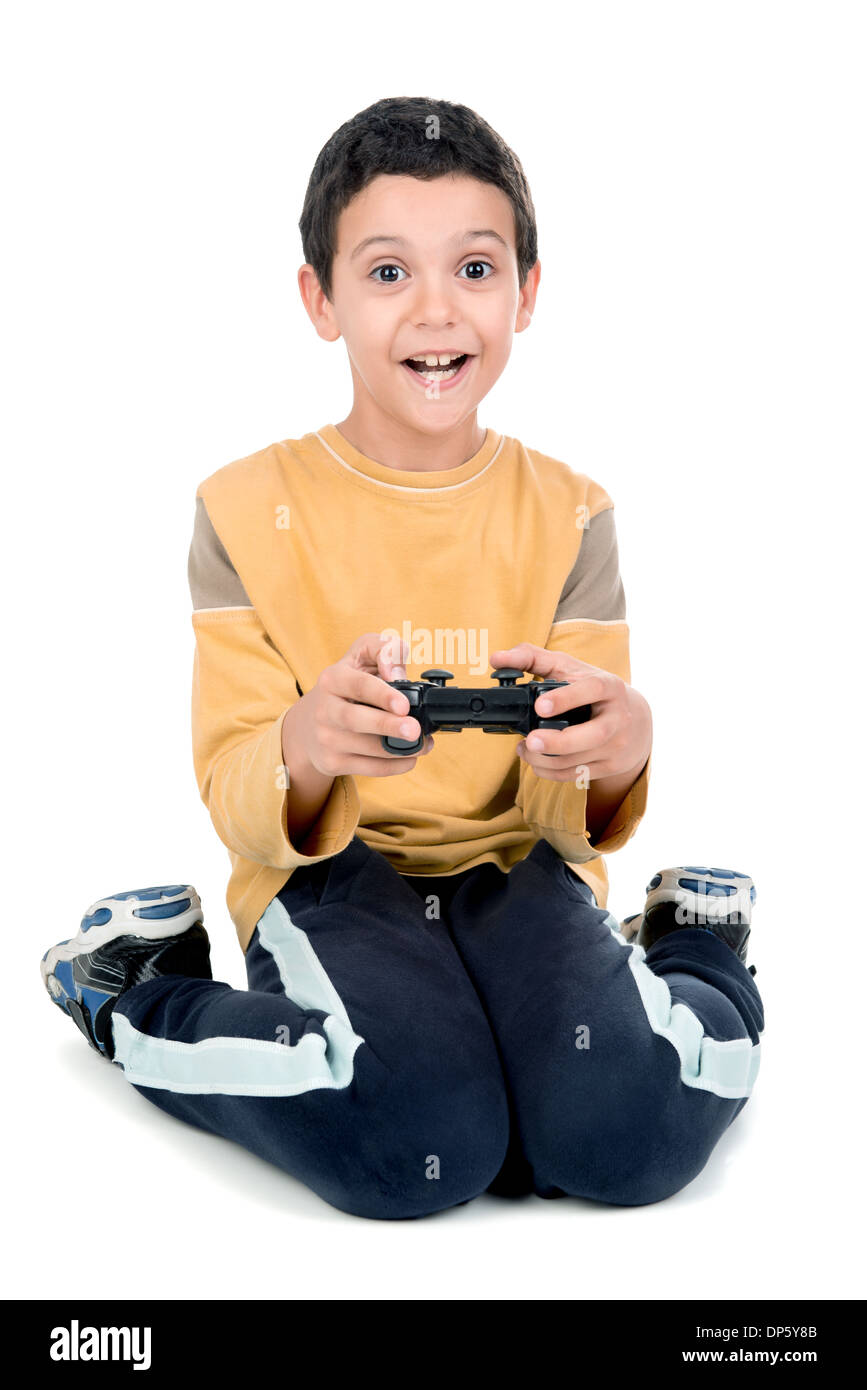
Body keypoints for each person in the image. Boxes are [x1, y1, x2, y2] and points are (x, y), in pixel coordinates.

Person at [40, 96, 764, 1220]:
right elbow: (240, 794)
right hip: (336, 880)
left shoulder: (573, 514)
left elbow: (568, 814)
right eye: (386, 272)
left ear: (528, 290)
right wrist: (305, 745)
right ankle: (141, 994)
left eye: (475, 268)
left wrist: (615, 757)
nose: (436, 309)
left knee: (622, 1134)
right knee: (418, 1137)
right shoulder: (244, 509)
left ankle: (697, 955)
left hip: (518, 868)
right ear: (318, 299)